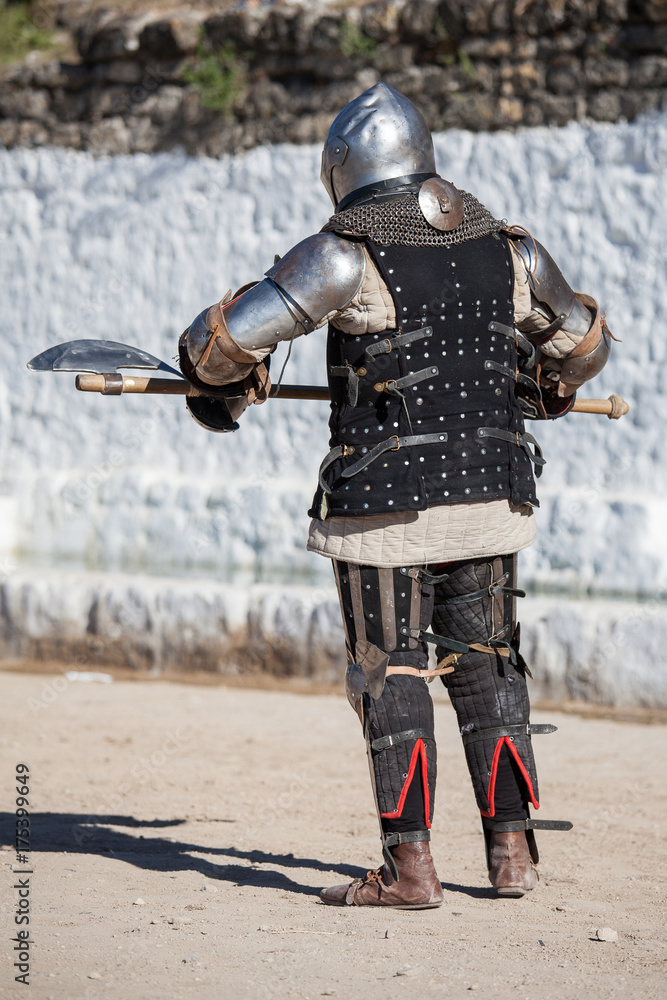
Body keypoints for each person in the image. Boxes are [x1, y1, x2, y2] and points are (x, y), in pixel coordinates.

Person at [178, 84, 612, 906]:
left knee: (389, 668)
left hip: (383, 503)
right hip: (492, 495)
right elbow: (583, 349)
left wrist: (229, 377)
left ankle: (409, 872)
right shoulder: (509, 249)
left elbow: (222, 347)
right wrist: (541, 381)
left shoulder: (342, 252)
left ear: (339, 167)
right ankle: (511, 859)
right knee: (489, 667)